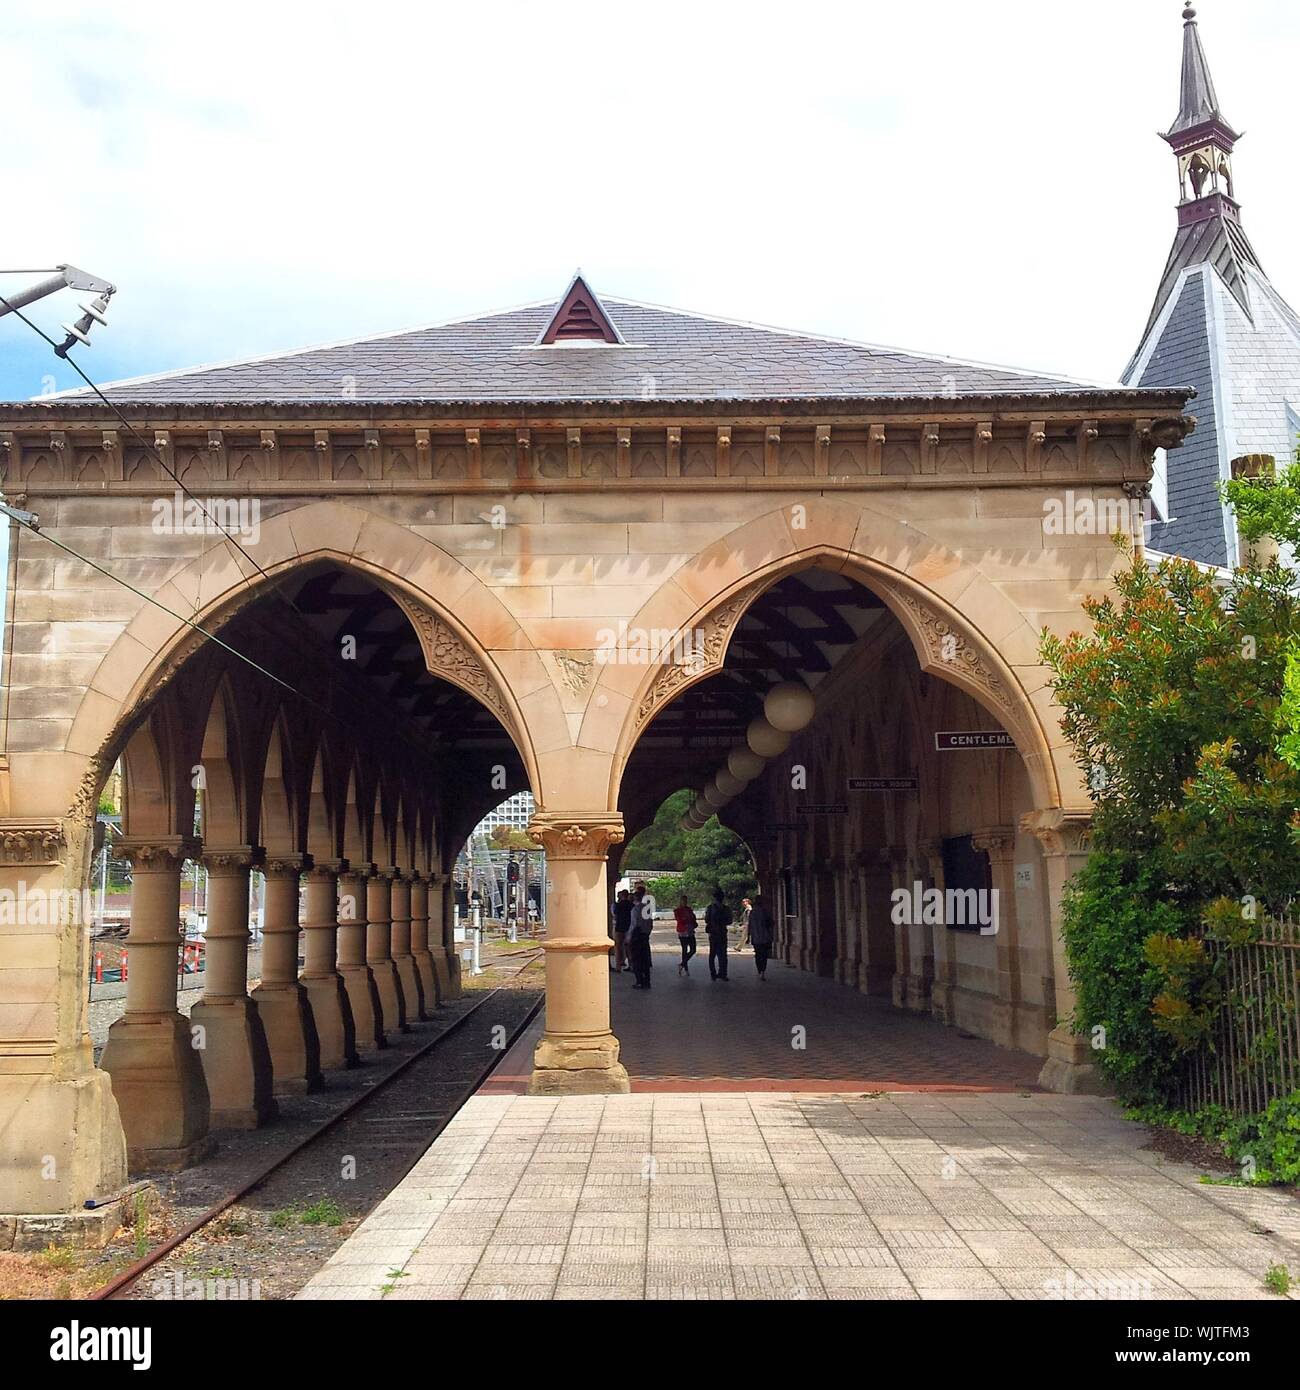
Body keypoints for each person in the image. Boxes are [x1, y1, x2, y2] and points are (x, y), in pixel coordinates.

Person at [628, 881, 654, 989]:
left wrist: (629, 937)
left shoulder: (635, 909)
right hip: (644, 935)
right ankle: (647, 981)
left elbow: (634, 924)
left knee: (636, 959)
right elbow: (650, 922)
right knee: (644, 959)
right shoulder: (647, 909)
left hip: (637, 935)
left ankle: (639, 981)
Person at [703, 886, 732, 982]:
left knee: (712, 954)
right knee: (723, 955)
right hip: (722, 933)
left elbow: (706, 920)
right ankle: (723, 973)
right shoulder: (726, 909)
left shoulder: (710, 908)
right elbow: (730, 921)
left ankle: (713, 973)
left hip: (713, 934)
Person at [747, 892, 774, 980]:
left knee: (758, 954)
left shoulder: (752, 913)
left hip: (756, 937)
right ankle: (763, 970)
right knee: (764, 955)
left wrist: (748, 936)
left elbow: (750, 925)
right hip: (765, 937)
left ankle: (759, 970)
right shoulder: (765, 912)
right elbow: (771, 923)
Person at [673, 894, 698, 975]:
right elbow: (680, 920)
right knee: (684, 949)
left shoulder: (689, 909)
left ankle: (682, 963)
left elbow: (693, 918)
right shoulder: (677, 911)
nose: (685, 902)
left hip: (690, 931)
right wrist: (688, 920)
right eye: (683, 900)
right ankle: (685, 967)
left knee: (693, 949)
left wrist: (692, 921)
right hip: (683, 932)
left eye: (686, 900)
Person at [611, 888, 633, 972]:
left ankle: (618, 966)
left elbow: (615, 915)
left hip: (619, 927)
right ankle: (631, 965)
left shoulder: (618, 905)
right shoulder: (631, 905)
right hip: (629, 927)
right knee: (629, 947)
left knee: (618, 947)